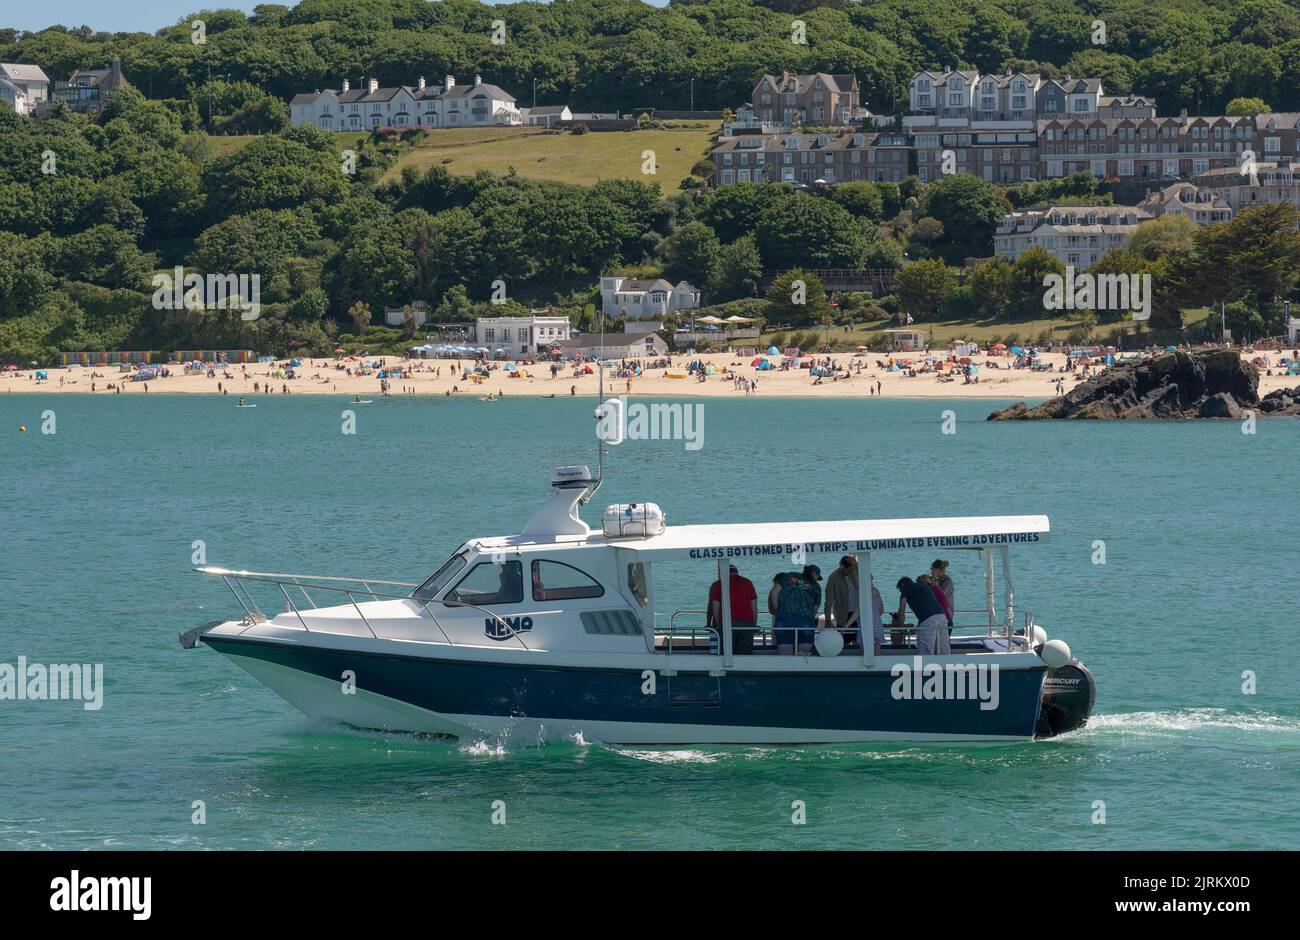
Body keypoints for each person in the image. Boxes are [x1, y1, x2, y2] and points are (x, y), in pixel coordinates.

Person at [705, 565, 758, 655]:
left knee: (726, 654)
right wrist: (753, 625)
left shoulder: (718, 584)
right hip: (746, 624)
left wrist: (718, 625)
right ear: (737, 572)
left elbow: (714, 607)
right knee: (745, 654)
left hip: (726, 623)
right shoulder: (748, 583)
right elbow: (754, 608)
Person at [772, 565, 822, 655]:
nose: (817, 579)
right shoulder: (816, 587)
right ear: (814, 573)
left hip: (784, 620)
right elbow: (815, 607)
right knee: (803, 655)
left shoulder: (786, 577)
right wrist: (810, 618)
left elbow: (774, 593)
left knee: (785, 654)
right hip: (805, 622)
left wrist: (778, 612)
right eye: (817, 576)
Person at [896, 576, 950, 655]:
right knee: (943, 647)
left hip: (928, 619)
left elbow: (901, 611)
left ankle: (925, 667)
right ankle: (947, 665)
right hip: (941, 616)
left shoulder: (905, 588)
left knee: (926, 650)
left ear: (902, 585)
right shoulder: (925, 586)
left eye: (899, 589)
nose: (900, 591)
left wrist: (901, 628)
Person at [824, 556, 860, 647]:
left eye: (849, 569)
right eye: (845, 569)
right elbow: (828, 600)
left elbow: (869, 577)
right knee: (844, 640)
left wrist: (856, 564)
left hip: (858, 612)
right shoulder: (833, 577)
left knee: (858, 639)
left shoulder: (856, 571)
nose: (847, 572)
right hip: (843, 614)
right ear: (840, 565)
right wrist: (828, 619)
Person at [930, 559, 955, 629]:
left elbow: (940, 595)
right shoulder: (937, 580)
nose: (931, 571)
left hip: (946, 617)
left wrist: (933, 582)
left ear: (938, 570)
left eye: (932, 569)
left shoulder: (947, 581)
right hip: (938, 616)